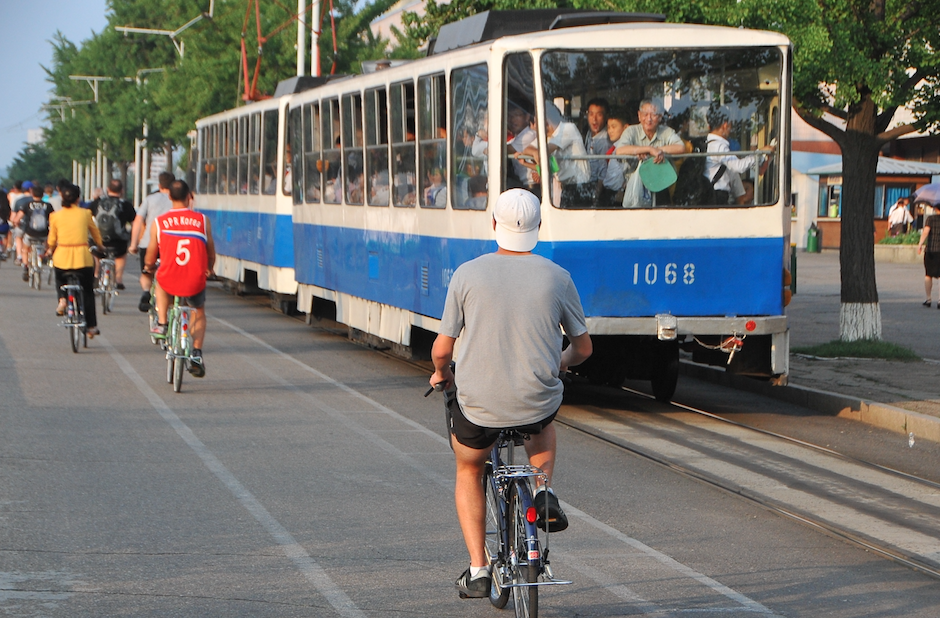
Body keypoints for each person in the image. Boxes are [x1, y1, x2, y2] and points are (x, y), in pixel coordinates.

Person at [429, 188, 593, 598]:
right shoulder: (558, 277)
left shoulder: (467, 274)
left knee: (469, 467)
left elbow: (443, 349)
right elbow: (584, 348)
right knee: (542, 417)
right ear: (539, 227)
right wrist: (560, 363)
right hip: (536, 400)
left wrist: (441, 374)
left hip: (478, 405)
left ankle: (478, 570)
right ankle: (543, 489)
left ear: (494, 225)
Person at [144, 180, 216, 377]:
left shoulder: (160, 222)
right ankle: (197, 353)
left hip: (170, 278)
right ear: (189, 196)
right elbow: (210, 252)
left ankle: (162, 322)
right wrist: (209, 269)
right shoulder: (202, 221)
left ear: (169, 197)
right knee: (198, 311)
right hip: (194, 279)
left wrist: (149, 267)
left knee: (160, 281)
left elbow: (151, 254)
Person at [45, 183, 105, 334]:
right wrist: (100, 246)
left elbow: (52, 239)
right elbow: (95, 233)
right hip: (82, 258)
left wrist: (50, 249)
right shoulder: (85, 214)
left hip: (62, 257)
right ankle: (91, 327)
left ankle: (62, 300)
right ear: (78, 198)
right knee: (88, 291)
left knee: (60, 279)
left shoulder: (55, 216)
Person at [613, 100, 685, 207]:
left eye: (653, 115)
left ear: (660, 117)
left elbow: (680, 147)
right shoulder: (631, 131)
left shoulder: (666, 131)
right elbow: (620, 150)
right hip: (636, 186)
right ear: (639, 115)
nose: (649, 119)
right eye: (645, 114)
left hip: (661, 186)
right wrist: (648, 149)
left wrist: (658, 150)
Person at [704, 106, 774, 205]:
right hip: (717, 195)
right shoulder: (718, 146)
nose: (730, 129)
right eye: (730, 125)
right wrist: (759, 152)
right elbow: (738, 166)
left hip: (713, 193)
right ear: (725, 125)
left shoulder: (709, 143)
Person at [130, 172, 174, 312]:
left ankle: (146, 291)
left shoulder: (149, 199)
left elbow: (138, 221)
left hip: (148, 243)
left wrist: (133, 244)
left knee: (146, 273)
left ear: (159, 185)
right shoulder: (177, 200)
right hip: (171, 245)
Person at [90, 179, 136, 290]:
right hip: (118, 242)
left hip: (99, 240)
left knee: (96, 253)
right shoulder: (126, 205)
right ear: (122, 191)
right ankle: (119, 280)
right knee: (121, 255)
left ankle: (96, 274)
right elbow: (134, 222)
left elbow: (88, 218)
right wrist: (133, 241)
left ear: (108, 189)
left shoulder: (96, 203)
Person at [14, 184, 54, 282]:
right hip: (44, 234)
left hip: (30, 233)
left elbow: (16, 219)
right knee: (48, 245)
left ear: (32, 194)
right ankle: (45, 256)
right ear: (43, 194)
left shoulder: (27, 205)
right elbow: (54, 219)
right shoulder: (48, 206)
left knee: (25, 249)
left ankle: (25, 268)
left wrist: (18, 225)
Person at [597, 108, 630, 207]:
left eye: (614, 127)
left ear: (626, 128)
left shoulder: (627, 148)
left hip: (617, 193)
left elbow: (629, 172)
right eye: (608, 127)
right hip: (607, 191)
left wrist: (622, 190)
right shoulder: (615, 147)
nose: (610, 131)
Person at [583, 98, 612, 201]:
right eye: (591, 114)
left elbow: (604, 171)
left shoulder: (604, 140)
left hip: (597, 186)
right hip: (587, 182)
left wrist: (596, 195)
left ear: (606, 116)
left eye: (599, 115)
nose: (594, 119)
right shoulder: (589, 133)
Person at [917, 203, 940, 308]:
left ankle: (928, 299)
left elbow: (926, 232)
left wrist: (920, 244)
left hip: (931, 250)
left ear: (935, 209)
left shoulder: (930, 219)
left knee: (928, 274)